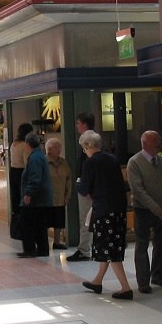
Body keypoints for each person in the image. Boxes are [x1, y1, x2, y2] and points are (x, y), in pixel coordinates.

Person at [78, 130, 132, 299]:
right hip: (118, 209)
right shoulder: (112, 159)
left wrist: (79, 183)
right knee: (108, 246)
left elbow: (84, 188)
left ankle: (125, 287)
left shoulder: (91, 163)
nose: (84, 151)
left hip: (103, 209)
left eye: (83, 148)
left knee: (110, 248)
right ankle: (97, 281)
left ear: (87, 146)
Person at [127, 130, 162, 294]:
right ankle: (143, 281)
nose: (159, 142)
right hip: (144, 210)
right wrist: (153, 206)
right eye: (155, 140)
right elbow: (138, 190)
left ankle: (157, 274)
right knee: (142, 244)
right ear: (145, 143)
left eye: (158, 139)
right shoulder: (134, 162)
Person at [18, 133, 54, 258]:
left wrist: (28, 194)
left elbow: (35, 178)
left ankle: (30, 249)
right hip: (41, 198)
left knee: (27, 223)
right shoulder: (38, 156)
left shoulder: (35, 158)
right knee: (39, 225)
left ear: (28, 144)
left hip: (36, 199)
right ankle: (42, 249)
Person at [68, 112, 95, 262]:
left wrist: (86, 188)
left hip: (87, 189)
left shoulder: (88, 141)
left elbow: (87, 170)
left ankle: (84, 250)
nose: (77, 126)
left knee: (86, 219)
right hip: (86, 187)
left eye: (78, 123)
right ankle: (87, 248)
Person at [45, 137, 72, 250]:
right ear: (49, 149)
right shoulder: (43, 162)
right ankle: (44, 242)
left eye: (59, 147)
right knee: (45, 221)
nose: (59, 150)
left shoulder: (63, 162)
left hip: (60, 197)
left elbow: (69, 179)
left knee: (59, 221)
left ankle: (57, 242)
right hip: (47, 199)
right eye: (56, 148)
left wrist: (67, 195)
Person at [9, 123, 33, 232]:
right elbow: (26, 162)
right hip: (21, 172)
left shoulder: (13, 144)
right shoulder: (24, 146)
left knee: (15, 197)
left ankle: (16, 223)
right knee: (23, 197)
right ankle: (24, 225)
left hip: (13, 171)